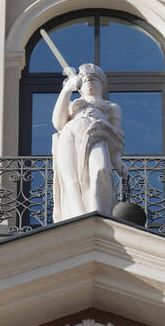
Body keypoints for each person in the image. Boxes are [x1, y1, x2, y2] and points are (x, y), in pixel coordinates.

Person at [51, 63, 126, 221]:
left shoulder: (110, 107)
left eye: (94, 77)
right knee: (70, 180)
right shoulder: (73, 104)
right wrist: (66, 90)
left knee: (100, 169)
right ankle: (77, 218)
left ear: (102, 83)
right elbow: (58, 123)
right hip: (69, 135)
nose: (89, 80)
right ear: (79, 86)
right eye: (84, 79)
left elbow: (117, 134)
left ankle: (98, 213)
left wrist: (117, 159)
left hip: (96, 135)